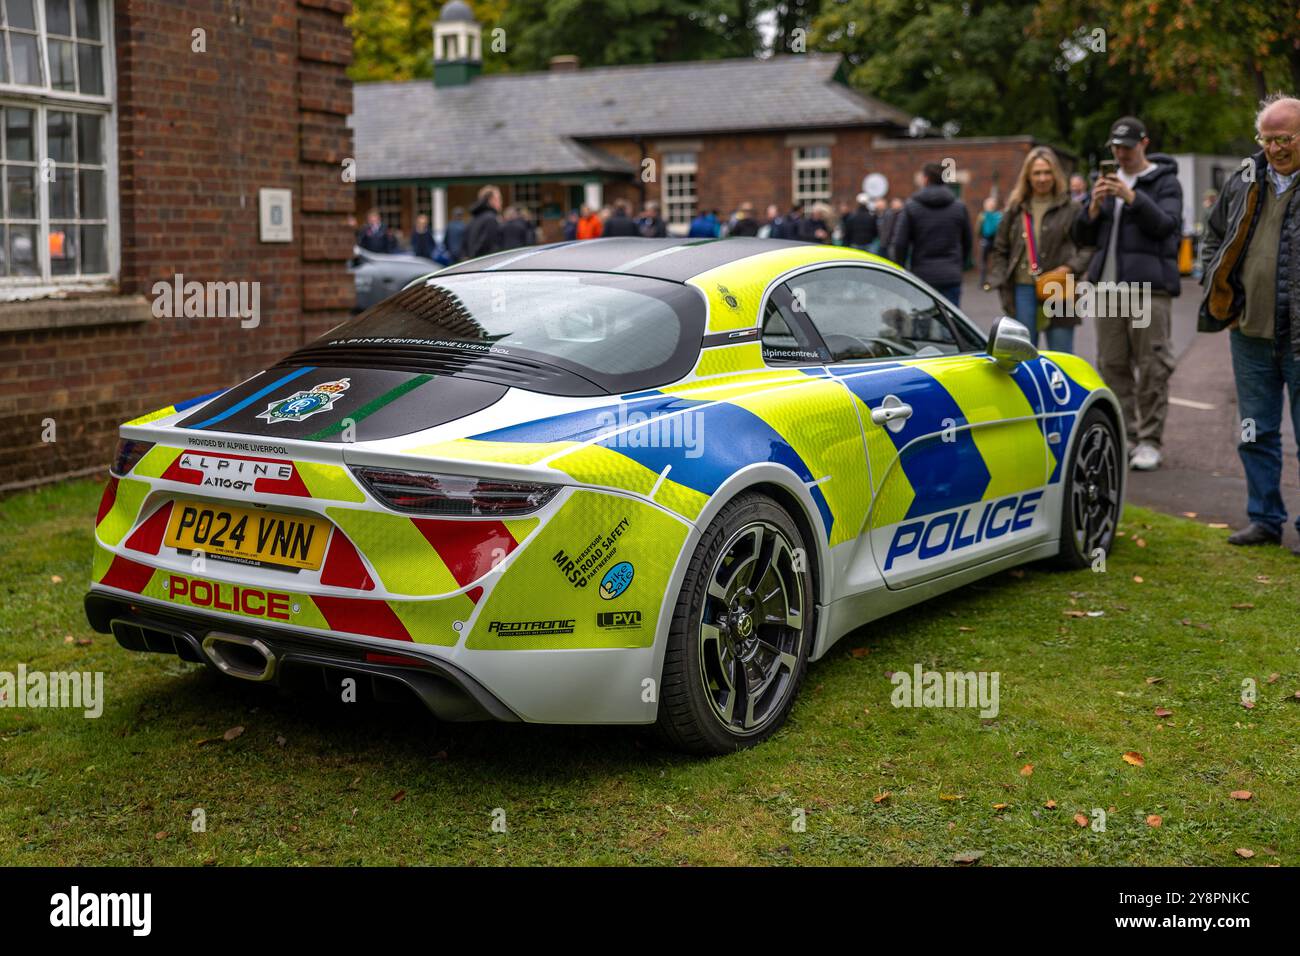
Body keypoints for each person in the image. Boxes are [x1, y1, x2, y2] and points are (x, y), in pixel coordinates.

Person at [1198, 94, 1300, 548]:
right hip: (1249, 332)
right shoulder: (1245, 175)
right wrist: (1214, 284)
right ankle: (1264, 519)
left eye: (1286, 139)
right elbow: (1213, 233)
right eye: (1268, 138)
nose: (1275, 148)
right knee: (1254, 432)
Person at [1072, 116, 1183, 471]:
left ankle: (1151, 440)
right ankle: (1128, 434)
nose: (1120, 153)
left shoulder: (1165, 181)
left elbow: (1167, 227)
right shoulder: (1102, 181)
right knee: (1112, 364)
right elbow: (1082, 237)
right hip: (1107, 288)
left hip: (1147, 288)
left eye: (1127, 146)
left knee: (1151, 365)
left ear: (1144, 144)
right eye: (1116, 147)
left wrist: (1132, 197)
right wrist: (1090, 209)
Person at [986, 146, 1092, 354]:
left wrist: (1069, 268)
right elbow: (1000, 248)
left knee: (1061, 357)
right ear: (1027, 176)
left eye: (1047, 172)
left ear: (1055, 174)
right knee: (1023, 357)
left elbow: (1088, 246)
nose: (1042, 178)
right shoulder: (1015, 209)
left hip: (1059, 289)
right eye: (1037, 173)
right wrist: (999, 279)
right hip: (1022, 289)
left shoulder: (1072, 208)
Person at [888, 162, 972, 306]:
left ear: (926, 179)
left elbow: (900, 243)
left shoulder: (912, 206)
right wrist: (959, 265)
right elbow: (968, 241)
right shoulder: (959, 207)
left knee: (921, 323)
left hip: (922, 276)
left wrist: (901, 270)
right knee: (950, 323)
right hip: (950, 275)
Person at [465, 185, 504, 259]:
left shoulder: (473, 219)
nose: (501, 202)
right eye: (499, 198)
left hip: (474, 264)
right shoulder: (491, 219)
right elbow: (488, 246)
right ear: (491, 200)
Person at [976, 196, 1002, 287]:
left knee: (984, 262)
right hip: (996, 241)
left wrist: (980, 238)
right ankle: (995, 281)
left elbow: (978, 230)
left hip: (986, 240)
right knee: (996, 261)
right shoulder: (999, 215)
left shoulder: (982, 216)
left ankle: (982, 281)